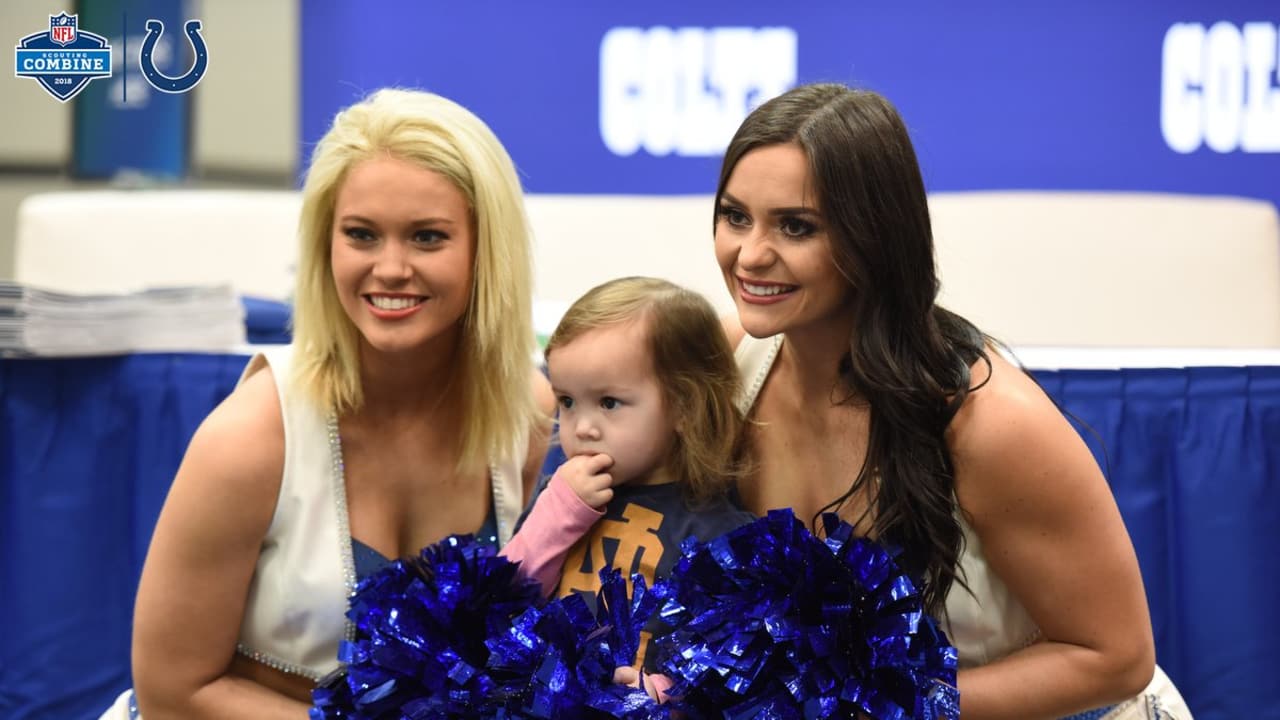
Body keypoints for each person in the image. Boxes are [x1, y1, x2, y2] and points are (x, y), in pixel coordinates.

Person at [712, 82, 1193, 719]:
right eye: (735, 216)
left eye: (796, 227)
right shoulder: (730, 359)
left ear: (873, 238)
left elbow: (1115, 658)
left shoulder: (990, 422)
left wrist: (884, 708)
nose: (750, 255)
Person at [100, 88, 554, 719]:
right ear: (325, 244)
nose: (390, 268)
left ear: (488, 253)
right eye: (362, 235)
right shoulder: (252, 436)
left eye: (427, 237)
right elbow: (173, 693)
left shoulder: (530, 416)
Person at [502, 276, 755, 677]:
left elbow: (731, 657)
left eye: (609, 402)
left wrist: (666, 693)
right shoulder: (562, 497)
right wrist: (556, 514)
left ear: (684, 407)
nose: (582, 426)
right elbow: (501, 604)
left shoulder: (718, 530)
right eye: (567, 401)